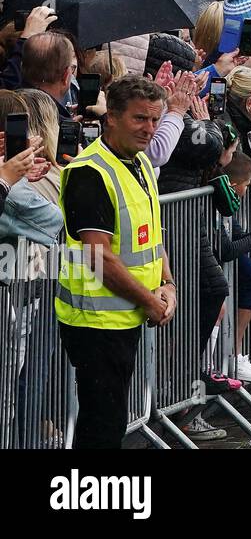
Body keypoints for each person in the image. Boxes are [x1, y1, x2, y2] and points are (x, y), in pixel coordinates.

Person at [56, 76, 175, 448]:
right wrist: (149, 299)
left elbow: (153, 236)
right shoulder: (90, 172)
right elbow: (97, 256)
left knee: (108, 422)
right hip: (96, 320)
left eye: (155, 120)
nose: (150, 129)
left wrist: (168, 283)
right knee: (101, 426)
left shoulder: (138, 163)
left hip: (125, 314)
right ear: (111, 118)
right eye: (140, 119)